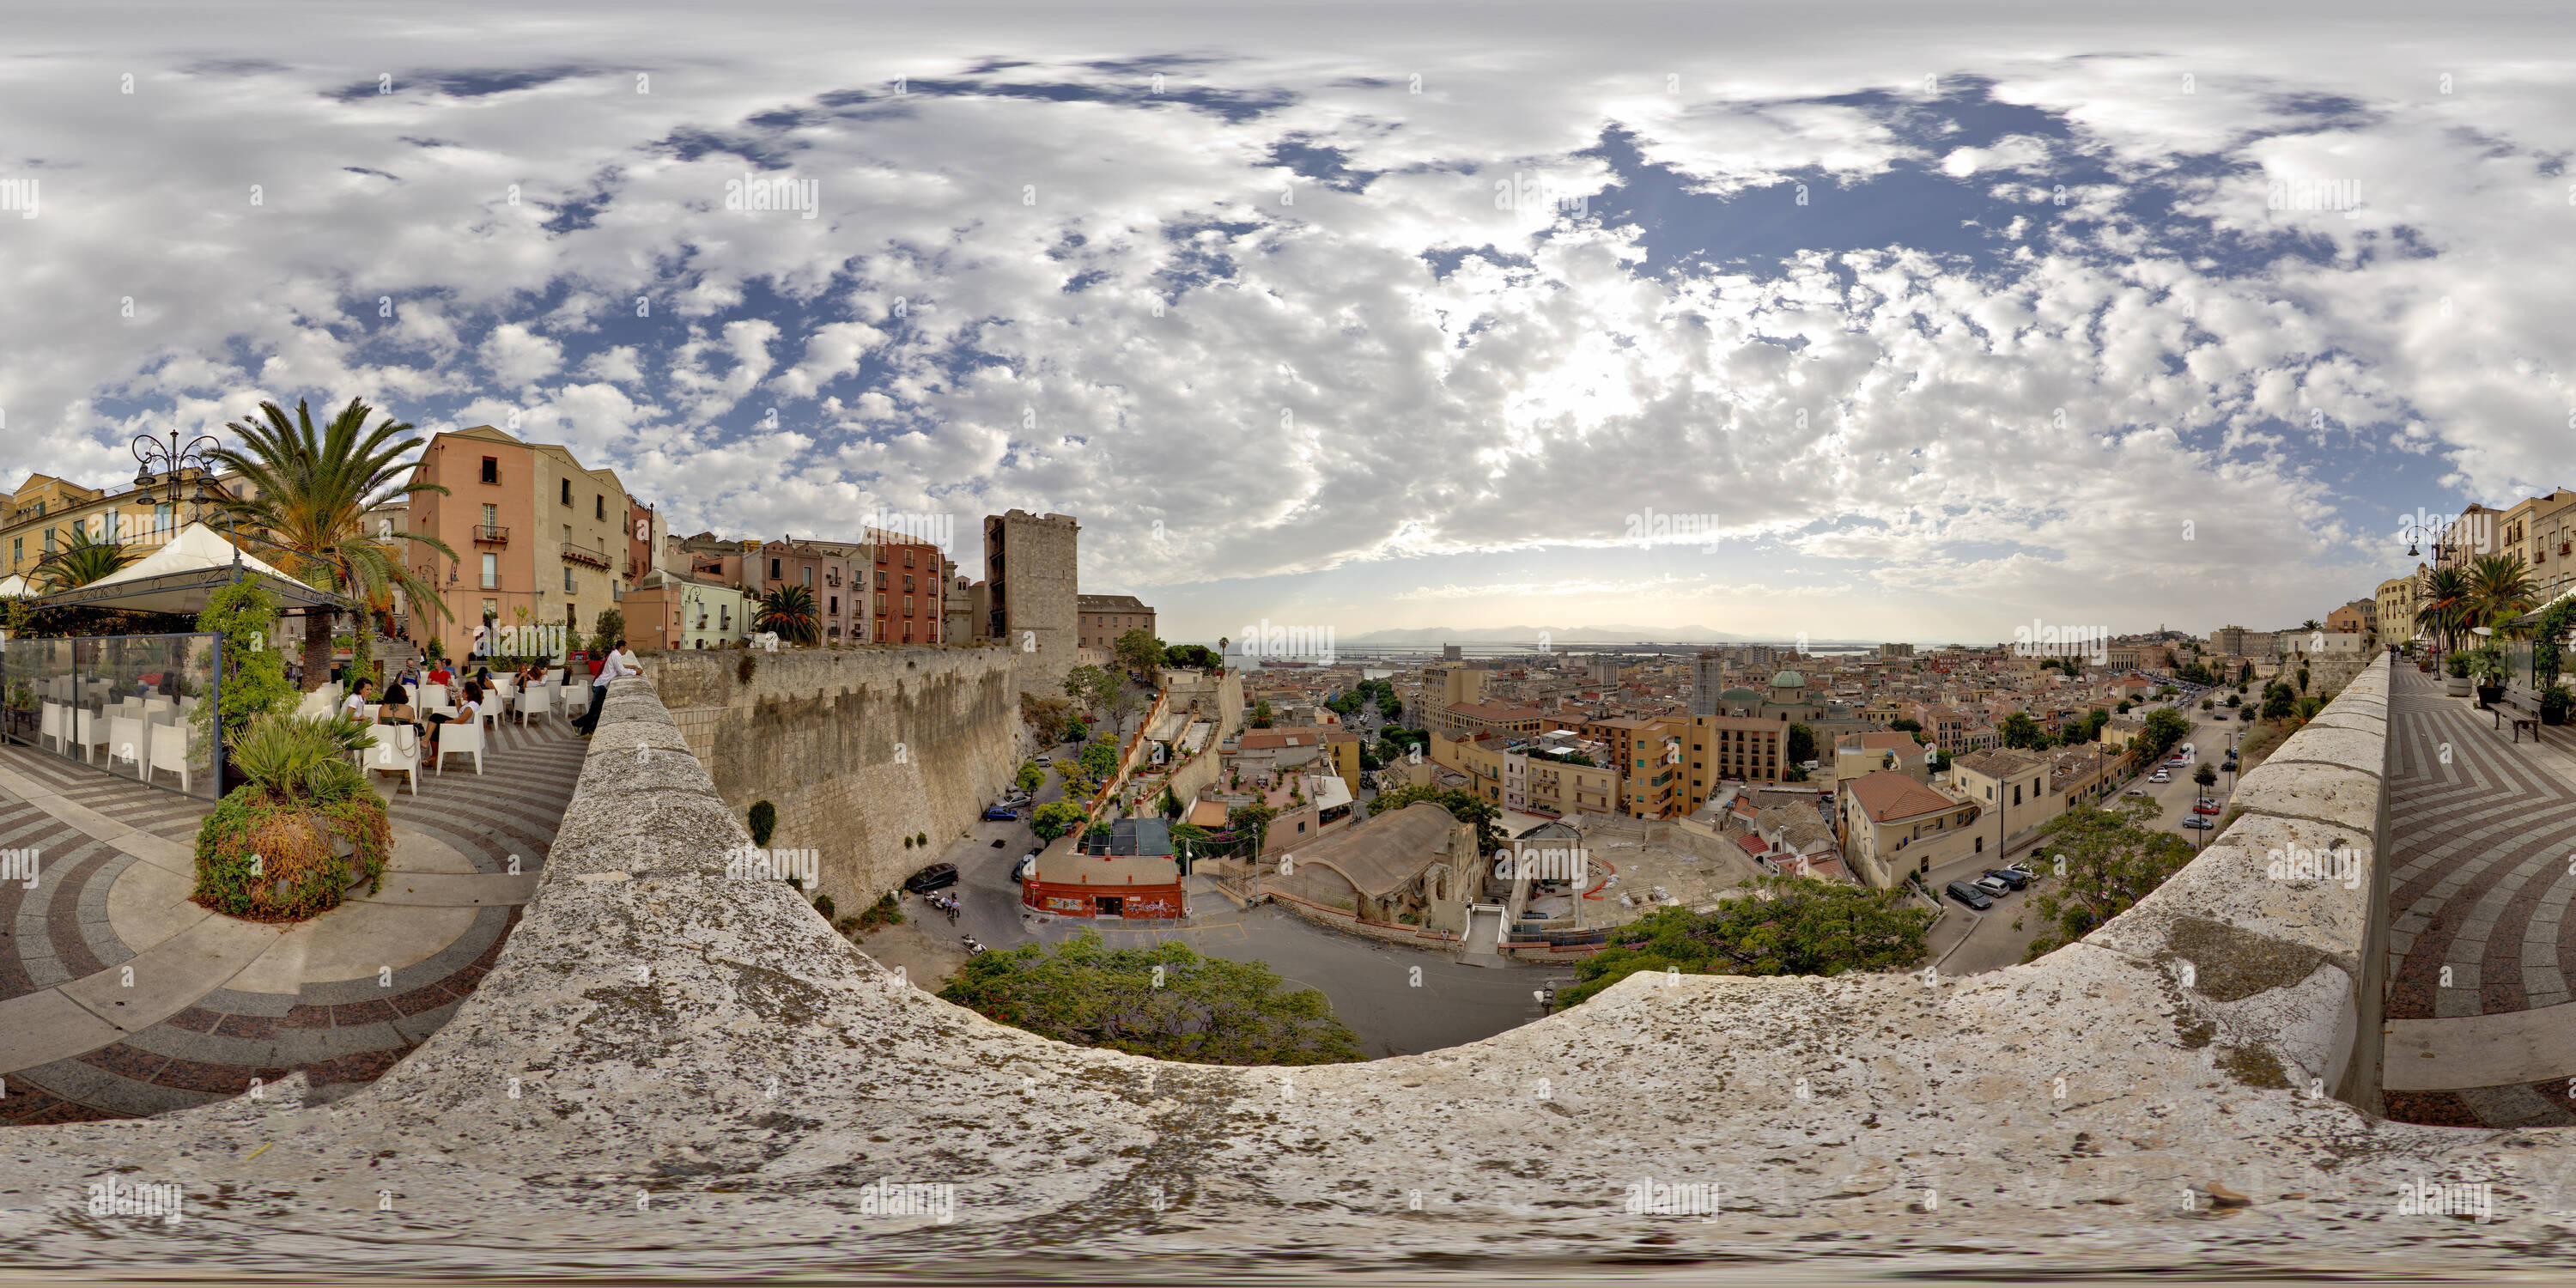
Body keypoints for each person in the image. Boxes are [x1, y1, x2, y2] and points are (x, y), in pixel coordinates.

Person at [574, 639, 641, 738]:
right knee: (594, 711)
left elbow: (620, 667)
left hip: (600, 685)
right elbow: (621, 671)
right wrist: (635, 672)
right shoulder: (616, 655)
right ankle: (576, 724)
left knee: (596, 711)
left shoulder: (614, 654)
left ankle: (586, 731)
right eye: (626, 648)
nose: (627, 650)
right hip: (600, 686)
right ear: (622, 647)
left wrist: (632, 667)